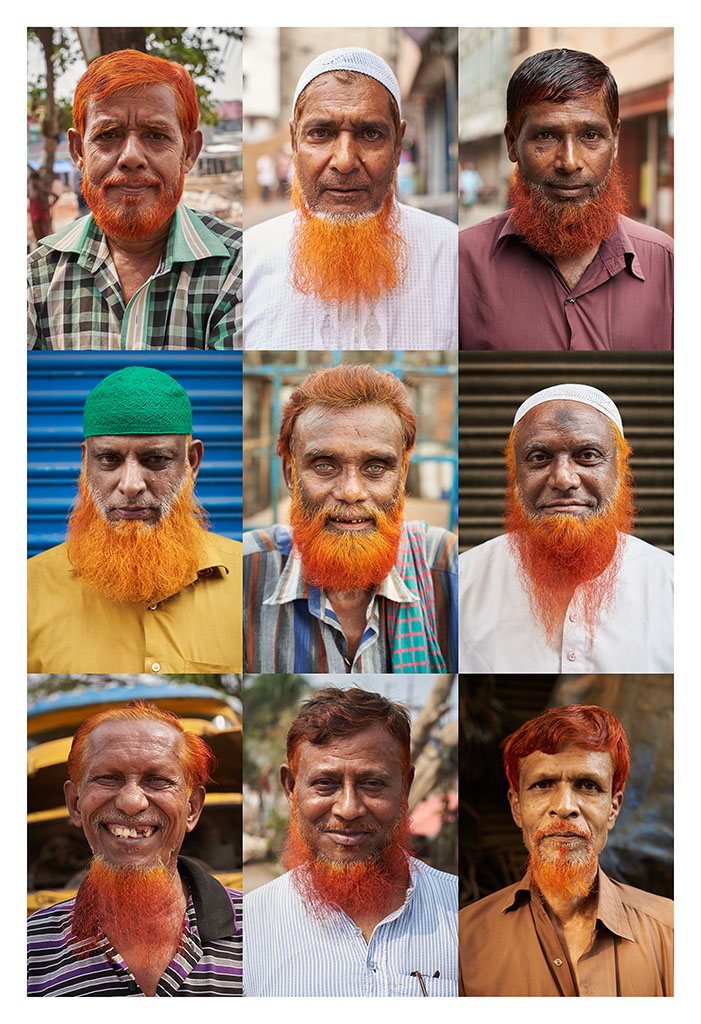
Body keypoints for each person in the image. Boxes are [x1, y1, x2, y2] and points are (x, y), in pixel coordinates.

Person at [243, 364, 457, 672]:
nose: (351, 492)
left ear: (401, 476)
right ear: (291, 476)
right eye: (324, 466)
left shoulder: (446, 570)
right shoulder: (246, 572)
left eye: (375, 467)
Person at [245, 687, 458, 996]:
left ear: (405, 787)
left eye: (372, 784)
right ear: (290, 788)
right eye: (324, 784)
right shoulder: (248, 927)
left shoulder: (458, 912)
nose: (348, 808)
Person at [27, 365, 241, 673]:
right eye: (109, 460)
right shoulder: (28, 589)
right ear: (86, 462)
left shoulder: (247, 582)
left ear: (191, 462)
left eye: (156, 460)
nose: (130, 484)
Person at [459, 48, 673, 350]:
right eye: (546, 136)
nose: (570, 162)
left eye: (591, 136)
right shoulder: (461, 262)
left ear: (615, 142)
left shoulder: (666, 262)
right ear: (512, 143)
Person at [28, 49, 242, 350]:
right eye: (108, 134)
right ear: (78, 152)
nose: (131, 157)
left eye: (156, 135)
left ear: (189, 152)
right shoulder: (35, 278)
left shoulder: (241, 267)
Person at [244, 47, 457, 349]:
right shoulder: (248, 259)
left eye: (370, 134)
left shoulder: (451, 255)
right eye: (320, 133)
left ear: (397, 145)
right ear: (294, 141)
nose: (344, 161)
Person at [27, 701, 242, 996]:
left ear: (192, 808)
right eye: (107, 778)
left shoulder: (262, 929)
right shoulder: (28, 946)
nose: (131, 802)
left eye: (157, 780)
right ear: (75, 804)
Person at [459, 704, 673, 996]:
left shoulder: (673, 933)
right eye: (543, 784)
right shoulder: (460, 938)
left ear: (613, 809)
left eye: (587, 785)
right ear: (516, 807)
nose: (565, 807)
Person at [458, 383, 673, 672]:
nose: (563, 478)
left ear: (620, 470)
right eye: (539, 458)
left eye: (587, 456)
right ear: (515, 473)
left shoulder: (672, 584)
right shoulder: (463, 580)